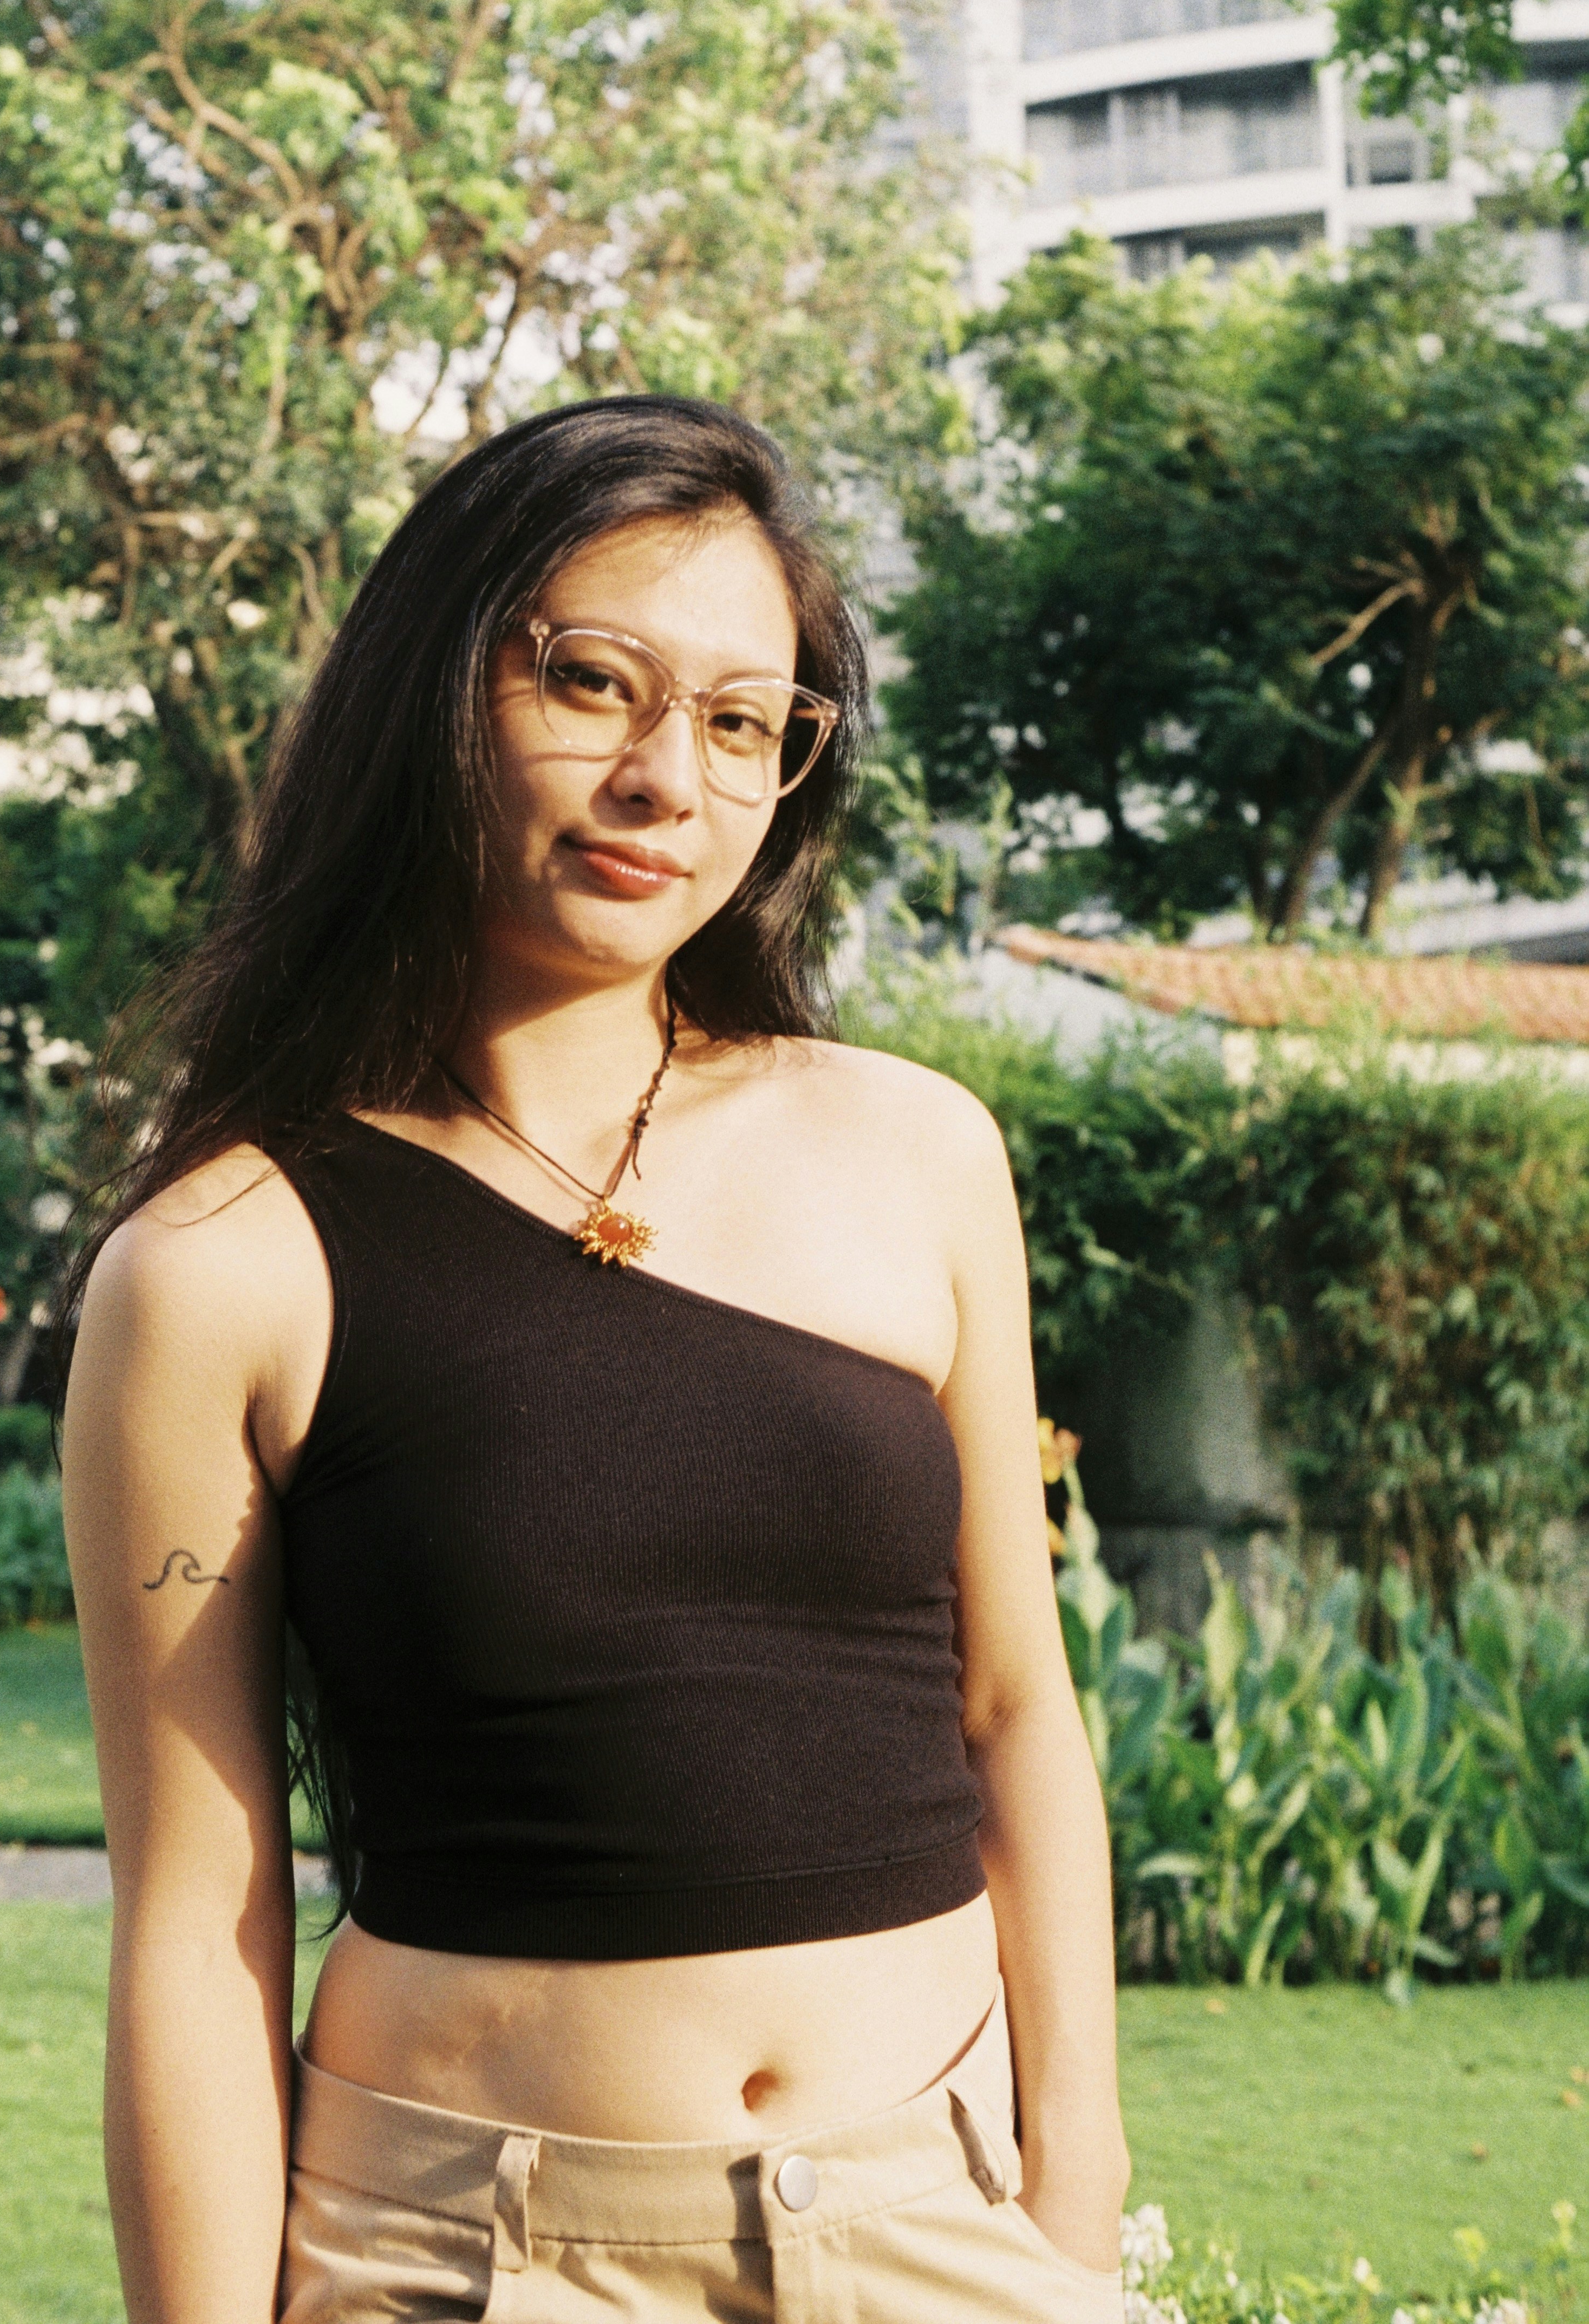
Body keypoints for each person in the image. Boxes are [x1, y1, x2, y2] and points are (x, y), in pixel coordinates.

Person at [60, 397, 1130, 2324]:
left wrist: (1068, 2200)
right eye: (591, 680)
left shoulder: (912, 1149)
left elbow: (1015, 1710)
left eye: (740, 722)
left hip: (942, 2216)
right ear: (433, 688)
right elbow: (193, 1916)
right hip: (474, 2253)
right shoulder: (219, 1265)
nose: (667, 778)